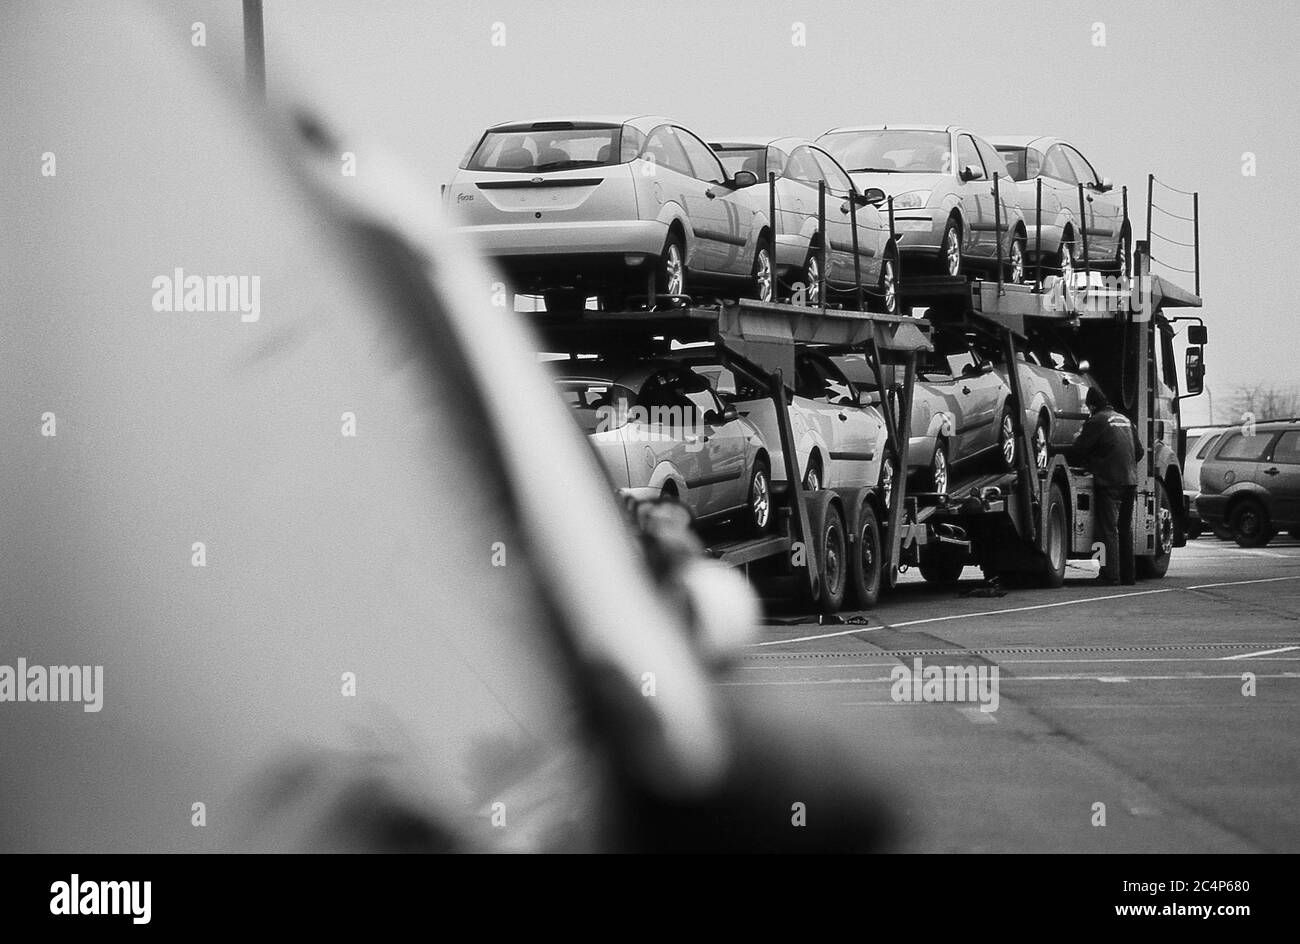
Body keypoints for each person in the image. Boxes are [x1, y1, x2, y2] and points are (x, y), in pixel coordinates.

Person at [1067, 387, 1145, 585]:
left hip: (1110, 482)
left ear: (1092, 405)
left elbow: (1080, 449)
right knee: (1124, 529)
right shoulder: (1125, 420)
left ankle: (1109, 575)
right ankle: (1128, 577)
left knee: (1107, 530)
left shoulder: (1097, 420)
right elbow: (1139, 451)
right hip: (1130, 482)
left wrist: (1077, 446)